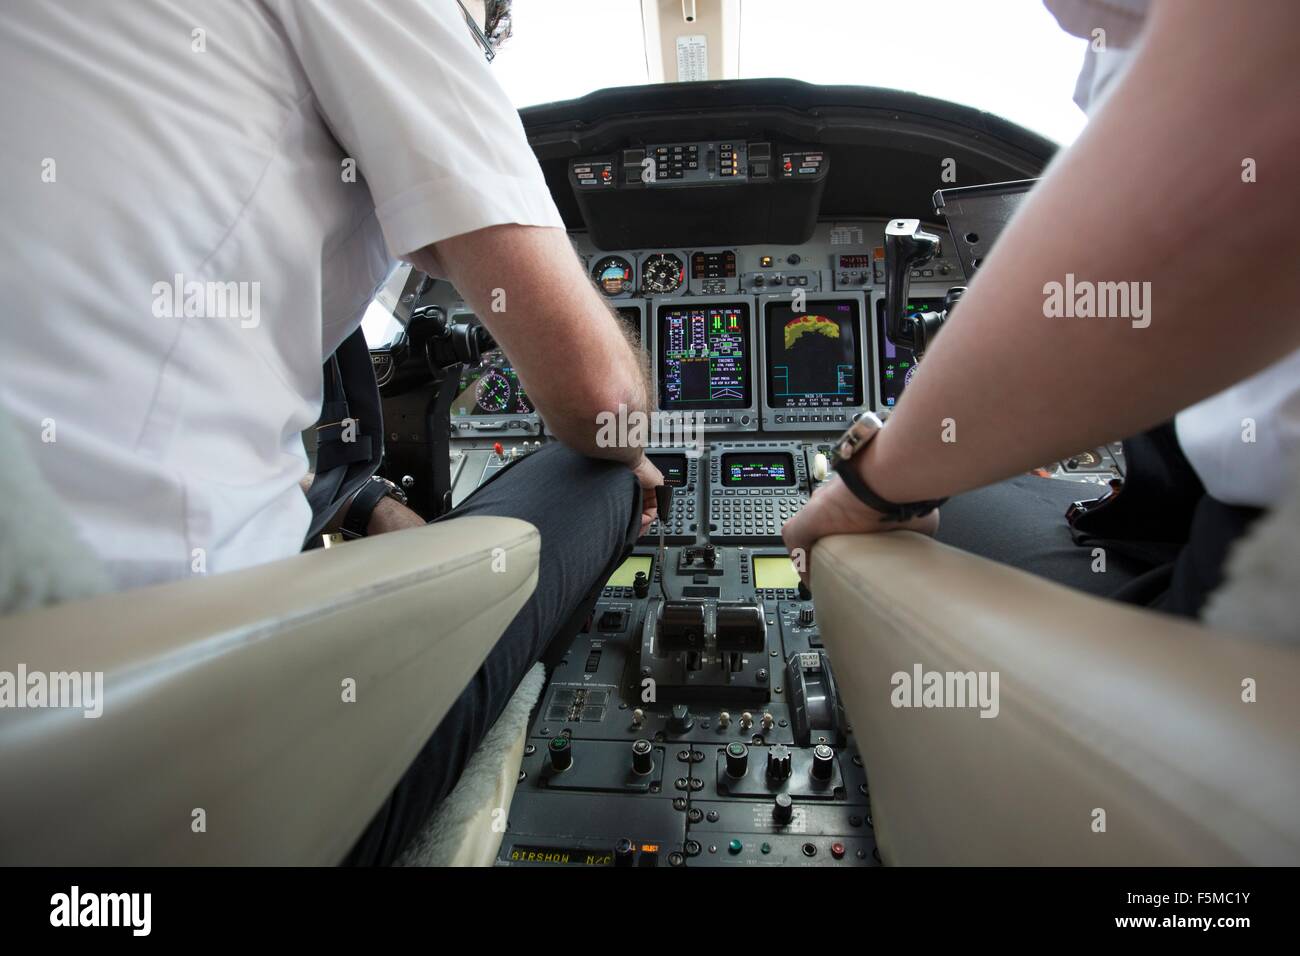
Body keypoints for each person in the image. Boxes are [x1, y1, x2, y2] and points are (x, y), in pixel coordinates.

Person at [0, 0, 660, 865]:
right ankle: (534, 701)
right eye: (493, 28)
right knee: (608, 474)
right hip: (189, 740)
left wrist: (377, 505)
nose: (489, 44)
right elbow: (602, 397)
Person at [784, 0, 1300, 617]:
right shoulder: (1137, 45)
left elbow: (1156, 260)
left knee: (947, 498)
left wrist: (871, 486)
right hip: (1218, 518)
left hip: (1263, 558)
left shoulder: (1220, 33)